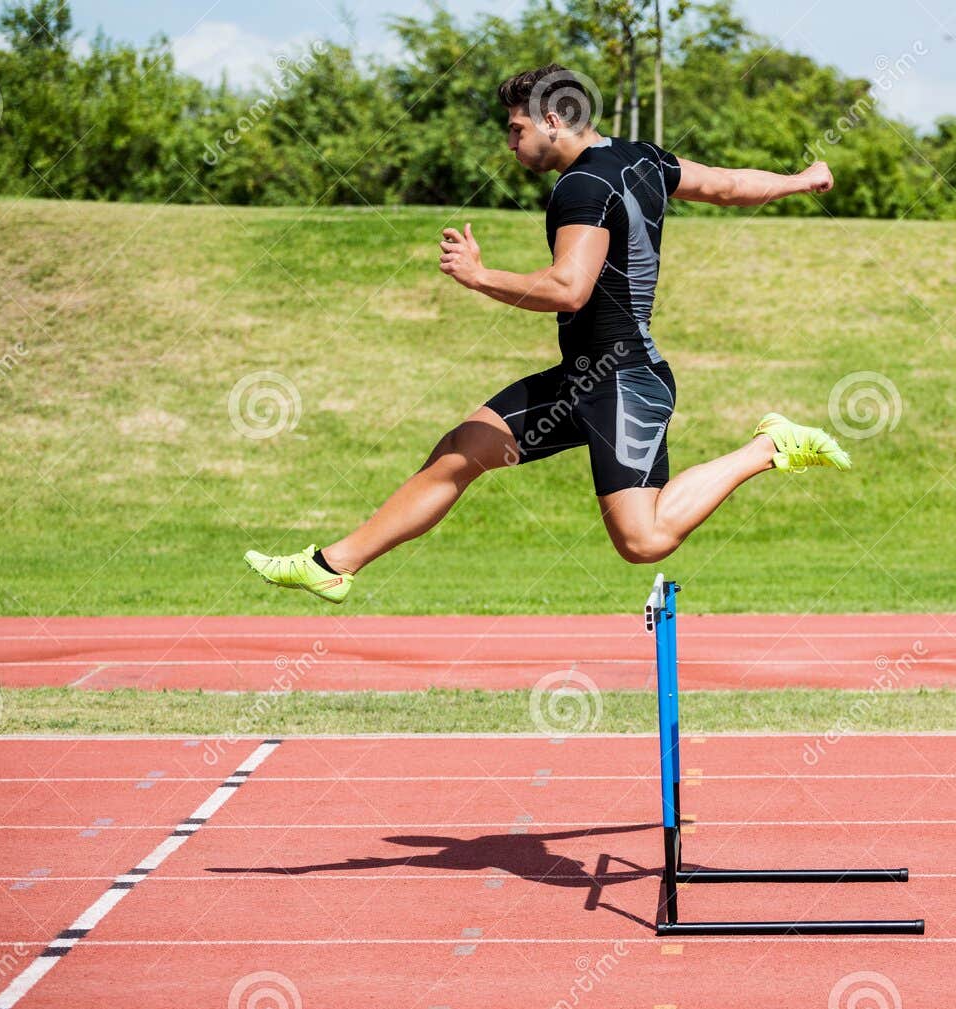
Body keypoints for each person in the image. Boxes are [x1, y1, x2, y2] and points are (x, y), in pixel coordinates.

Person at [245, 64, 850, 604]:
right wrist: (802, 179)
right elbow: (725, 186)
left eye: (516, 130)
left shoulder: (581, 186)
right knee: (463, 449)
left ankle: (768, 447)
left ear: (553, 120)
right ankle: (332, 564)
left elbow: (568, 288)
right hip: (581, 378)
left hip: (624, 383)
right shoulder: (644, 159)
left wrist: (480, 278)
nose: (510, 143)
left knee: (644, 541)